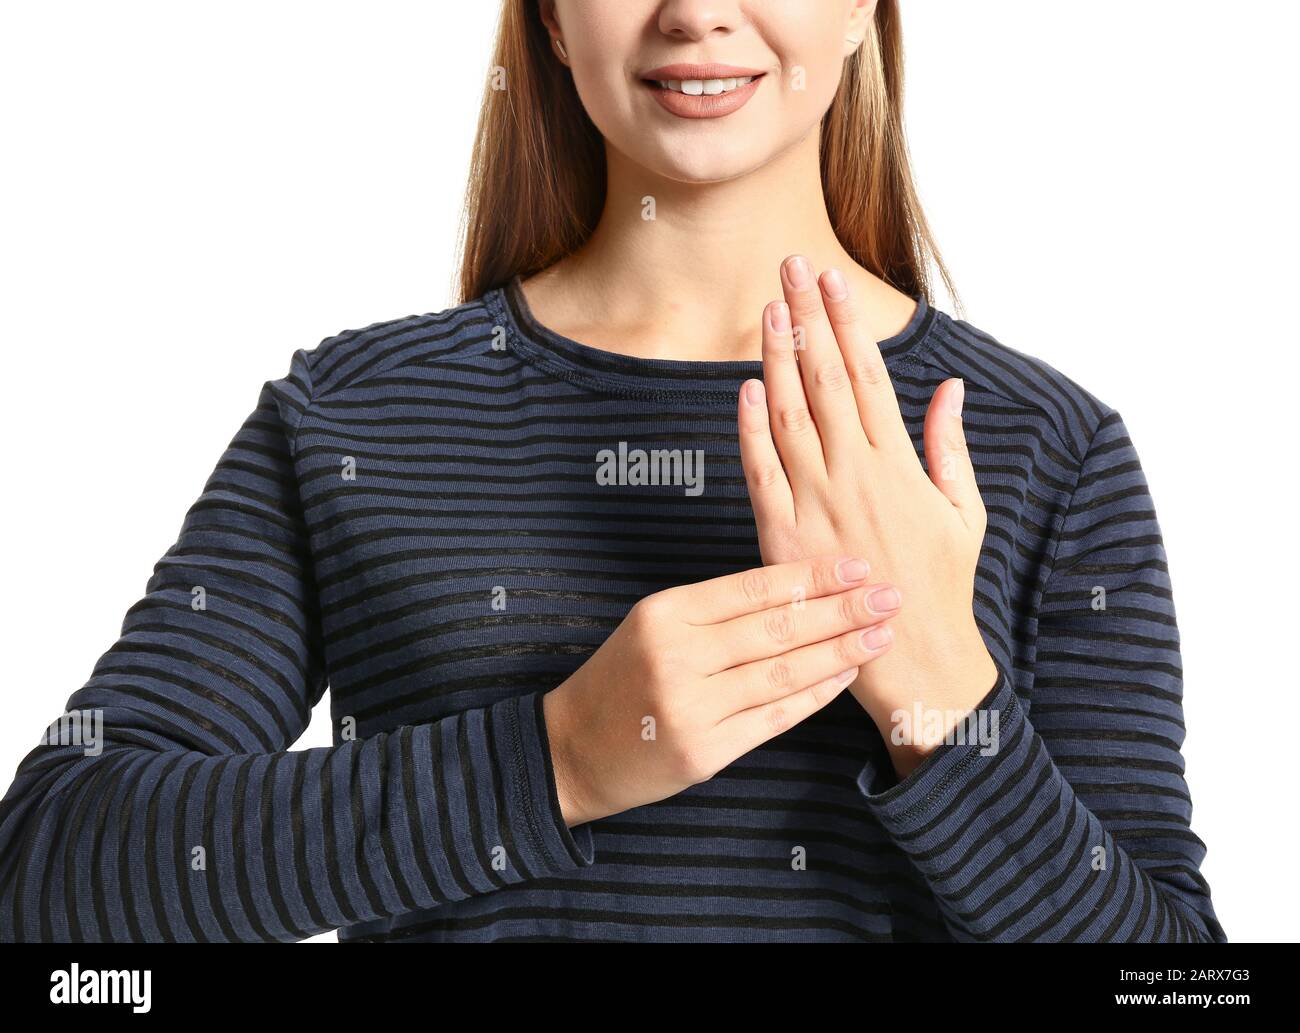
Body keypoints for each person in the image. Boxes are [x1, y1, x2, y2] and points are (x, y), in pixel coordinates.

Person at [0, 0, 1223, 942]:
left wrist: (939, 696)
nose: (694, 10)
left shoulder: (1048, 446)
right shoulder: (352, 417)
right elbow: (47, 870)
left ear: (864, 9)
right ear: (546, 14)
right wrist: (555, 762)